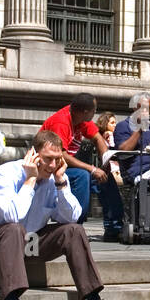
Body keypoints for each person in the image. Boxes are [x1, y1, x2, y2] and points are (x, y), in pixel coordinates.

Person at [0, 130, 122, 300]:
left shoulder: (56, 177)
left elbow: (73, 218)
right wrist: (30, 179)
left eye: (57, 159)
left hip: (31, 242)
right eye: (47, 159)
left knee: (74, 231)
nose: (52, 166)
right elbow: (12, 216)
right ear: (33, 155)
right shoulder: (5, 173)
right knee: (13, 229)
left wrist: (62, 184)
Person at [41, 93, 125, 242]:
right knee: (82, 176)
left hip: (65, 166)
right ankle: (75, 225)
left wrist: (105, 164)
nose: (95, 113)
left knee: (105, 178)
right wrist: (92, 169)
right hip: (49, 166)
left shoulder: (80, 119)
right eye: (94, 110)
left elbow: (98, 138)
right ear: (85, 112)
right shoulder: (61, 122)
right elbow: (61, 155)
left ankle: (114, 227)